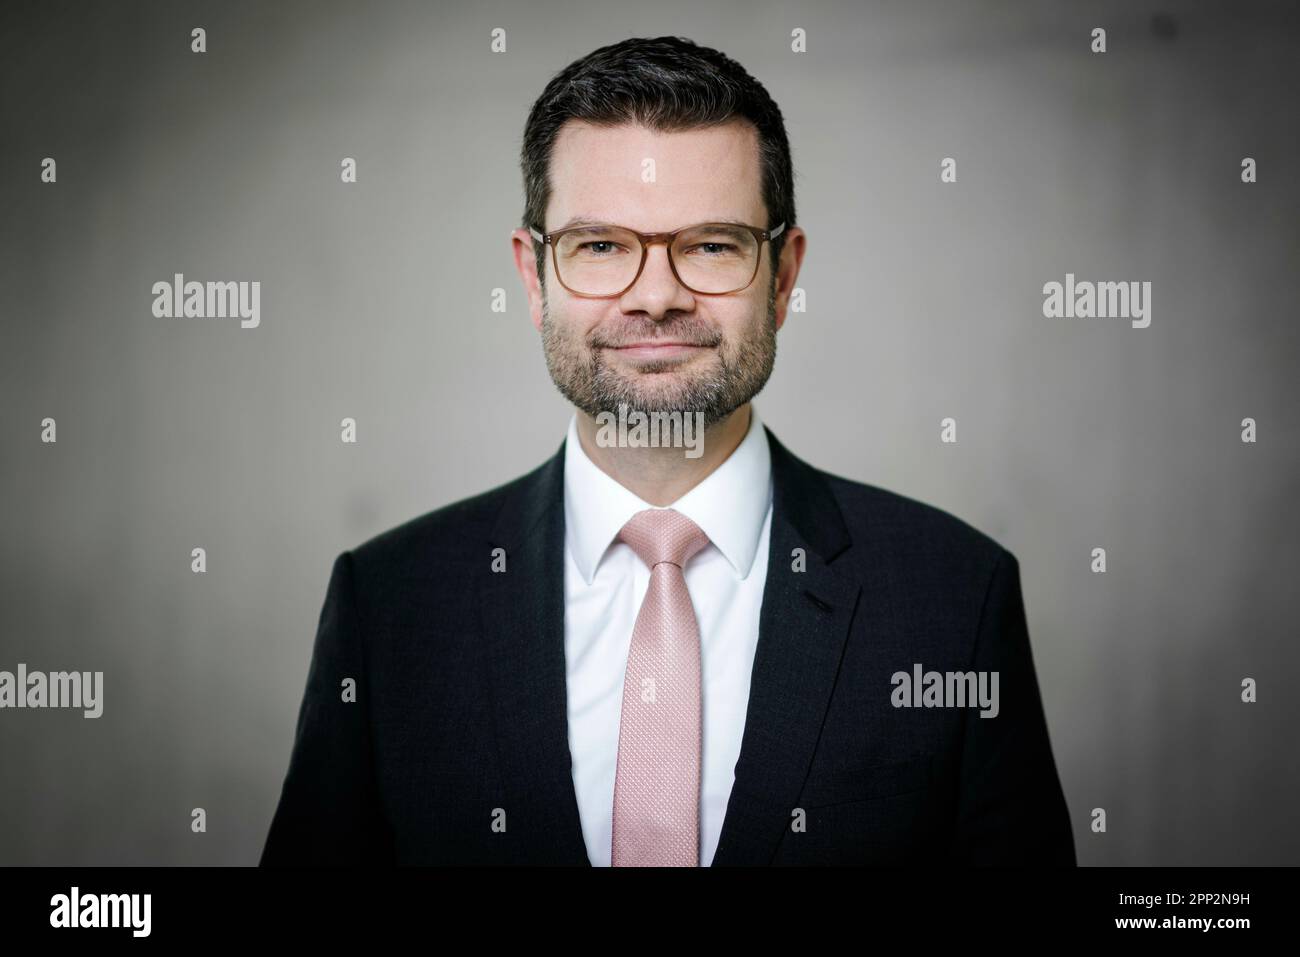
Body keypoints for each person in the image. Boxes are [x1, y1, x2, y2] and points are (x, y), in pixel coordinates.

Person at [260, 35, 1075, 866]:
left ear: (784, 277)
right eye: (602, 246)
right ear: (535, 277)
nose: (656, 297)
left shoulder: (954, 598)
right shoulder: (391, 604)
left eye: (713, 244)